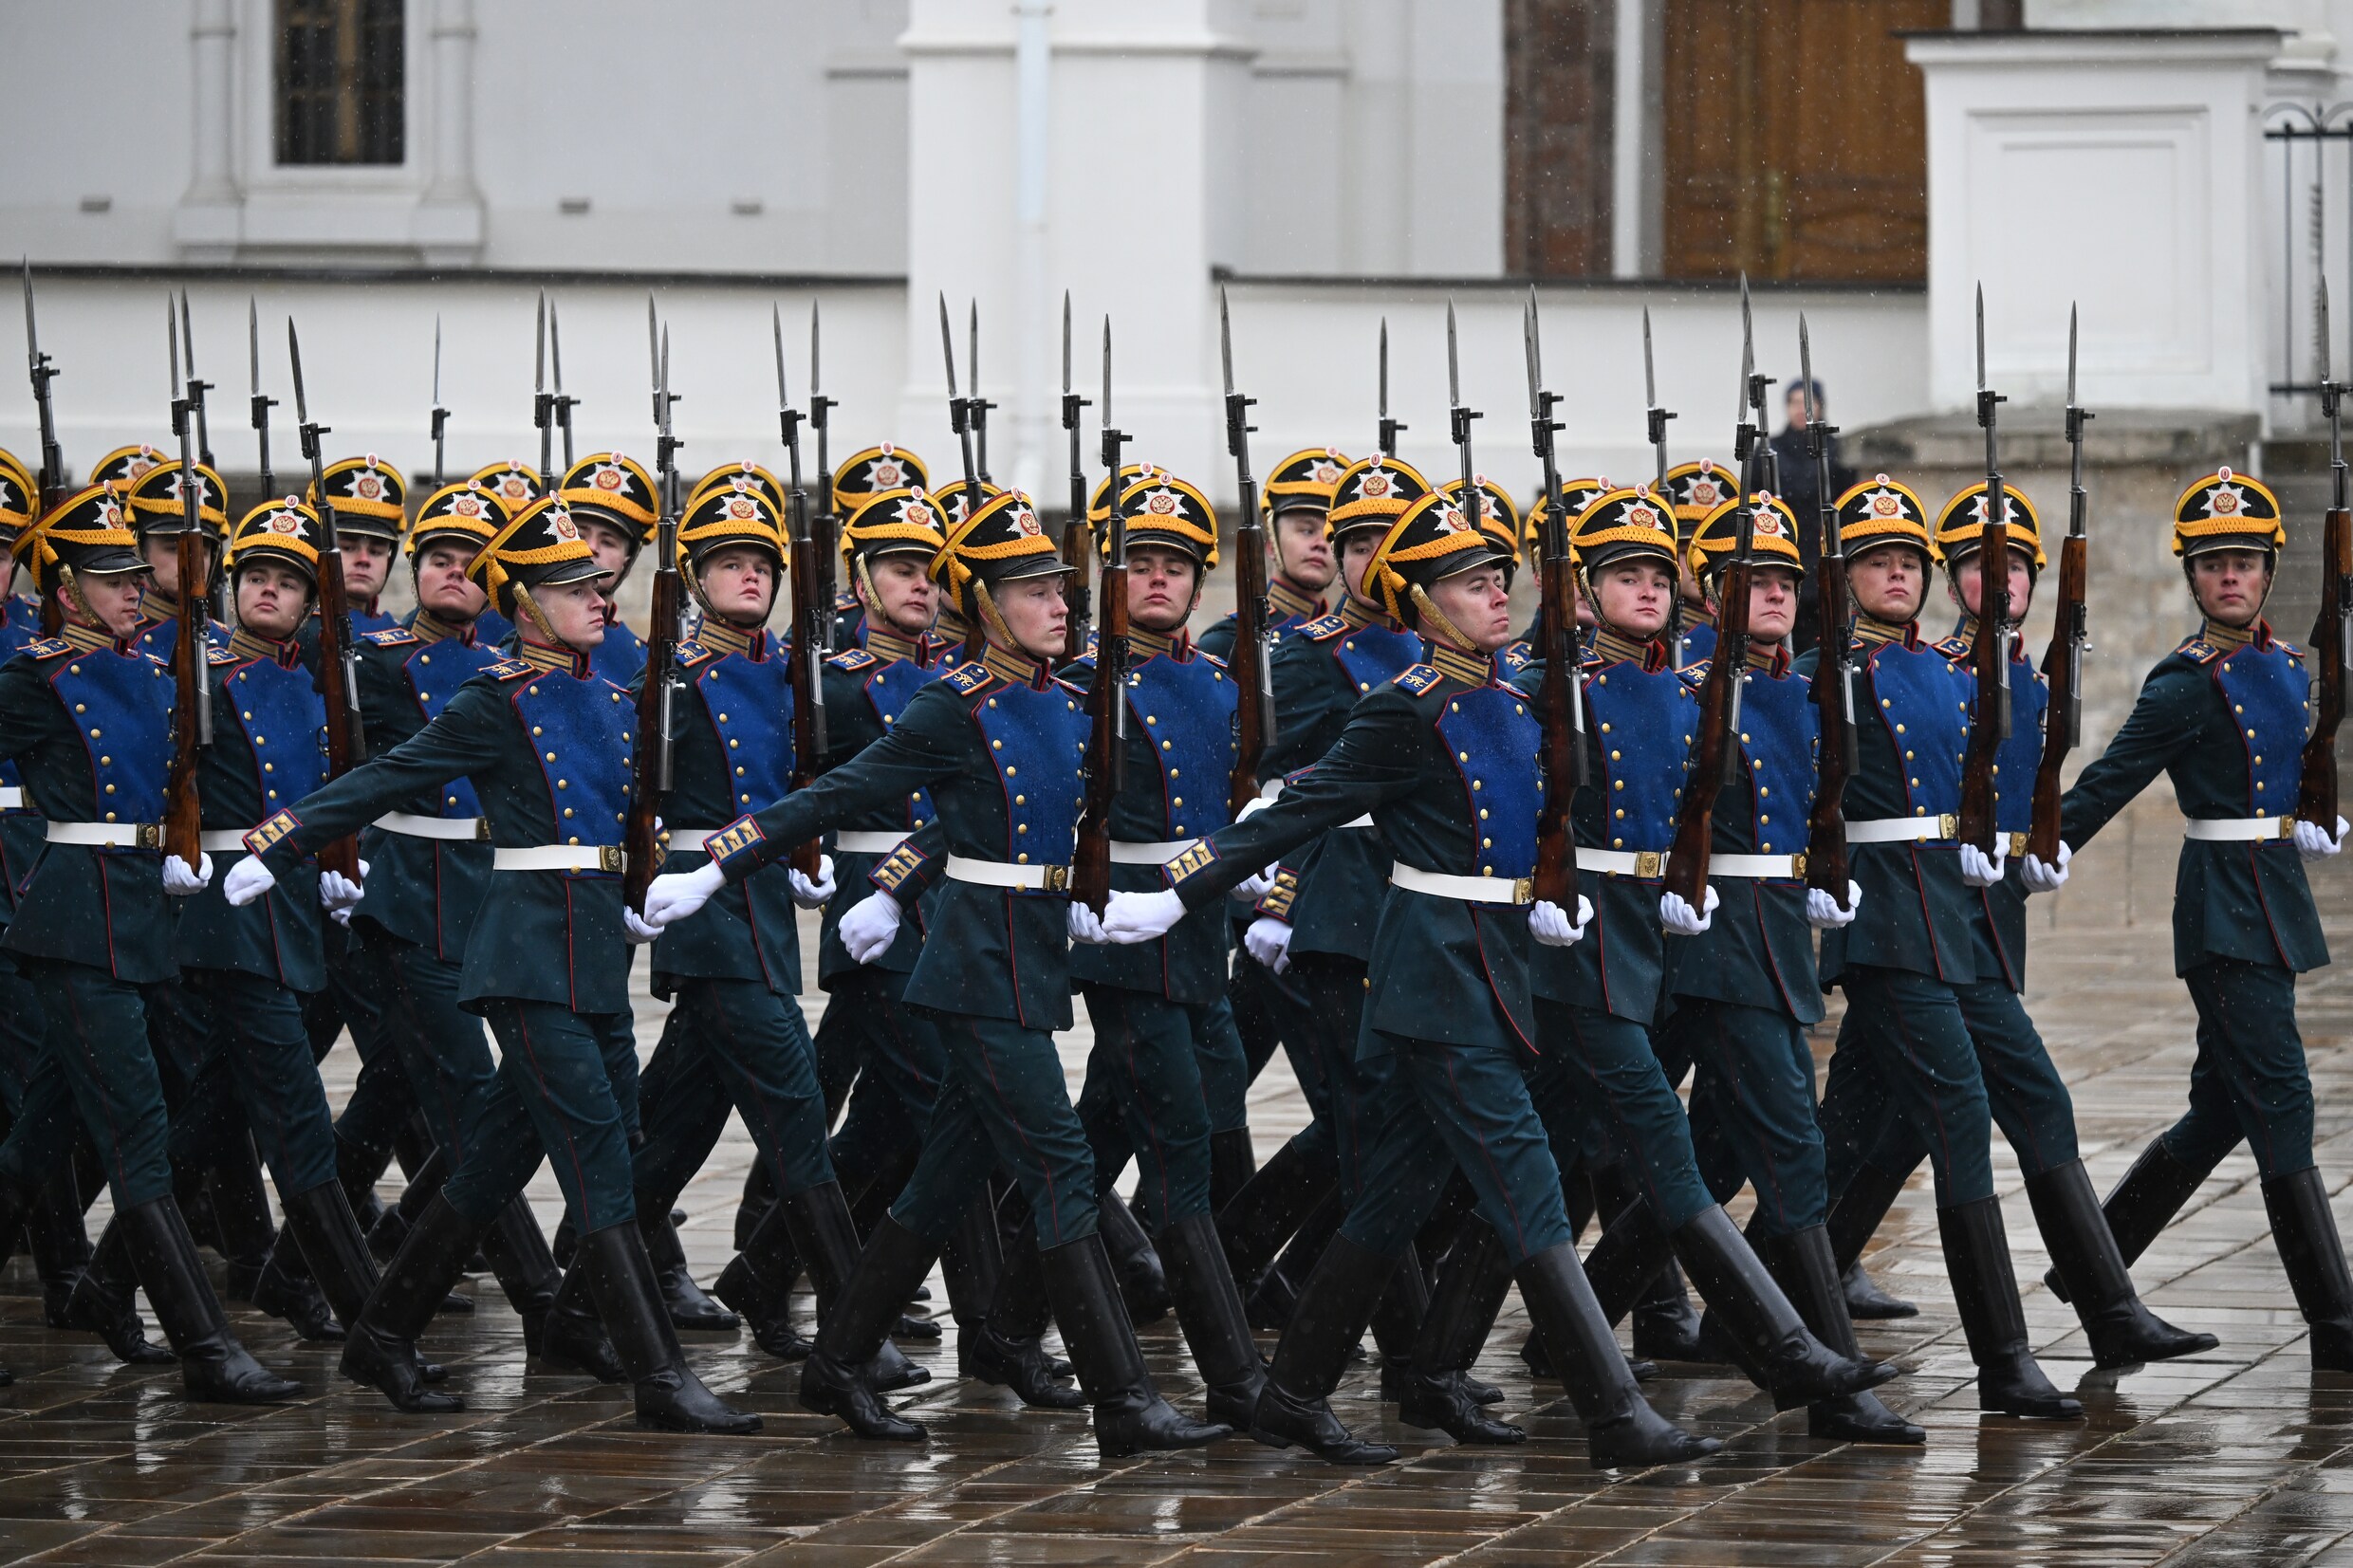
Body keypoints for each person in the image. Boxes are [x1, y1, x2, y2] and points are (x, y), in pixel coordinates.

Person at [1098, 488, 1765, 1470]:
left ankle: (1291, 1394)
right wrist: (1179, 891)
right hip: (1434, 983)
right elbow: (1299, 804)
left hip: (1500, 970)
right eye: (1468, 584)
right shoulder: (1405, 708)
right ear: (1420, 603)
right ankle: (1615, 1414)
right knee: (1529, 1184)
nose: (1496, 597)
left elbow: (1551, 822)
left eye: (1498, 579)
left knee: (1392, 1195)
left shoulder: (1514, 699)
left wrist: (1562, 894)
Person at [641, 487, 1230, 1460]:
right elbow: (838, 792)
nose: (1059, 606)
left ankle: (838, 1361)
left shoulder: (1071, 699)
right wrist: (716, 864)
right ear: (987, 605)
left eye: (1059, 590)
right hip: (972, 968)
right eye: (1034, 592)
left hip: (1032, 959)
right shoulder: (952, 705)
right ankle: (1123, 1397)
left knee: (938, 1182)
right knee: (1060, 1167)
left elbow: (996, 823)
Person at [224, 494, 760, 1434]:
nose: (599, 600)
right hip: (525, 955)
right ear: (526, 605)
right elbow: (386, 775)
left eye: (597, 586)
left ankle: (383, 1332)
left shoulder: (611, 697)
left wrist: (651, 886)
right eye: (574, 590)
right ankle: (659, 1373)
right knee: (598, 1157)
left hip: (593, 952)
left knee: (493, 1162)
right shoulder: (494, 700)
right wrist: (281, 841)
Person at [1817, 481, 2215, 1373]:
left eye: (2015, 571)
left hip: (1978, 927)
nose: (1998, 586)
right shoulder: (1935, 672)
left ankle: (1786, 1291)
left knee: (1879, 1125)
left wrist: (2040, 845)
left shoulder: (2026, 678)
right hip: (1920, 925)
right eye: (1974, 569)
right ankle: (2052, 1330)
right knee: (1931, 1117)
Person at [2035, 468, 2353, 1369]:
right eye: (2214, 564)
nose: (2230, 576)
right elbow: (2110, 777)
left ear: (2268, 572)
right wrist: (2037, 850)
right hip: (2223, 911)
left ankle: (2089, 1268)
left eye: (2245, 561)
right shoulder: (2184, 681)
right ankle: (2336, 1320)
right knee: (2284, 1098)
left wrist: (2311, 816)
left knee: (2220, 1110)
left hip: (2274, 899)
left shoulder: (2288, 667)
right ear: (2192, 576)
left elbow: (2292, 769)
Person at [0, 485, 298, 1402]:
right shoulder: (38, 679)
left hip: (141, 914)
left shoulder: (159, 670)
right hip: (73, 919)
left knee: (37, 1139)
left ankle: (113, 1296)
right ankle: (206, 1346)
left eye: (137, 576)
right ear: (65, 592)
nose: (135, 590)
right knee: (136, 1131)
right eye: (111, 579)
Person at [1804, 474, 2080, 1418]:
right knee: (1955, 1115)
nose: (1895, 574)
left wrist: (2021, 842)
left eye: (1905, 561)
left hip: (1946, 918)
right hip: (1880, 923)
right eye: (1874, 562)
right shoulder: (1823, 673)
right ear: (1843, 578)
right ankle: (2003, 1361)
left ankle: (1759, 1306)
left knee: (1852, 1133)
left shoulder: (1941, 671)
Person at [329, 480, 618, 1374]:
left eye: (469, 562)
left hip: (489, 890)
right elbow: (352, 769)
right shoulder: (376, 660)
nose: (453, 574)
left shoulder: (523, 669)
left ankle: (328, 1271)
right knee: (460, 1096)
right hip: (409, 891)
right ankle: (538, 1298)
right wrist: (318, 848)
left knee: (442, 1103)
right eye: (439, 559)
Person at [1649, 490, 1918, 1443]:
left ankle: (1562, 1328)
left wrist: (1820, 877)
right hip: (1706, 948)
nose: (1770, 594)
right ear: (1709, 589)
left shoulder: (1801, 692)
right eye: (1749, 580)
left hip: (1768, 944)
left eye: (1782, 581)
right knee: (1794, 1151)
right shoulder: (1682, 689)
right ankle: (1828, 1382)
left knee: (1700, 1157)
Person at [155, 497, 397, 1348]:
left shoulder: (320, 680)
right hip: (226, 915)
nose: (268, 590)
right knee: (296, 1116)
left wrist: (339, 860)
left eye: (287, 583)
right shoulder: (202, 672)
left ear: (309, 602)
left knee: (215, 1111)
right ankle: (370, 1320)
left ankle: (109, 1280)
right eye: (255, 576)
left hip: (292, 912)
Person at [1060, 470, 1267, 1430]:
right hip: (1121, 939)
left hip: (1197, 939)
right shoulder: (1079, 681)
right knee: (1181, 1146)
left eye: (1174, 566)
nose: (1156, 578)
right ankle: (1234, 1373)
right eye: (1138, 562)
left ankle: (1006, 1323)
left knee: (1110, 1132)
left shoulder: (1217, 681)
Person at [556, 452, 659, 686]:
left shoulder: (641, 661)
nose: (591, 547)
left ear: (627, 561)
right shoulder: (523, 640)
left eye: (608, 542)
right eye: (580, 535)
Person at [1768, 379, 1854, 656]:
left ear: (1820, 406)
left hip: (1824, 557)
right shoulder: (1770, 451)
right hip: (1787, 554)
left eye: (1807, 403)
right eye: (1794, 402)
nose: (1800, 410)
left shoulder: (1837, 452)